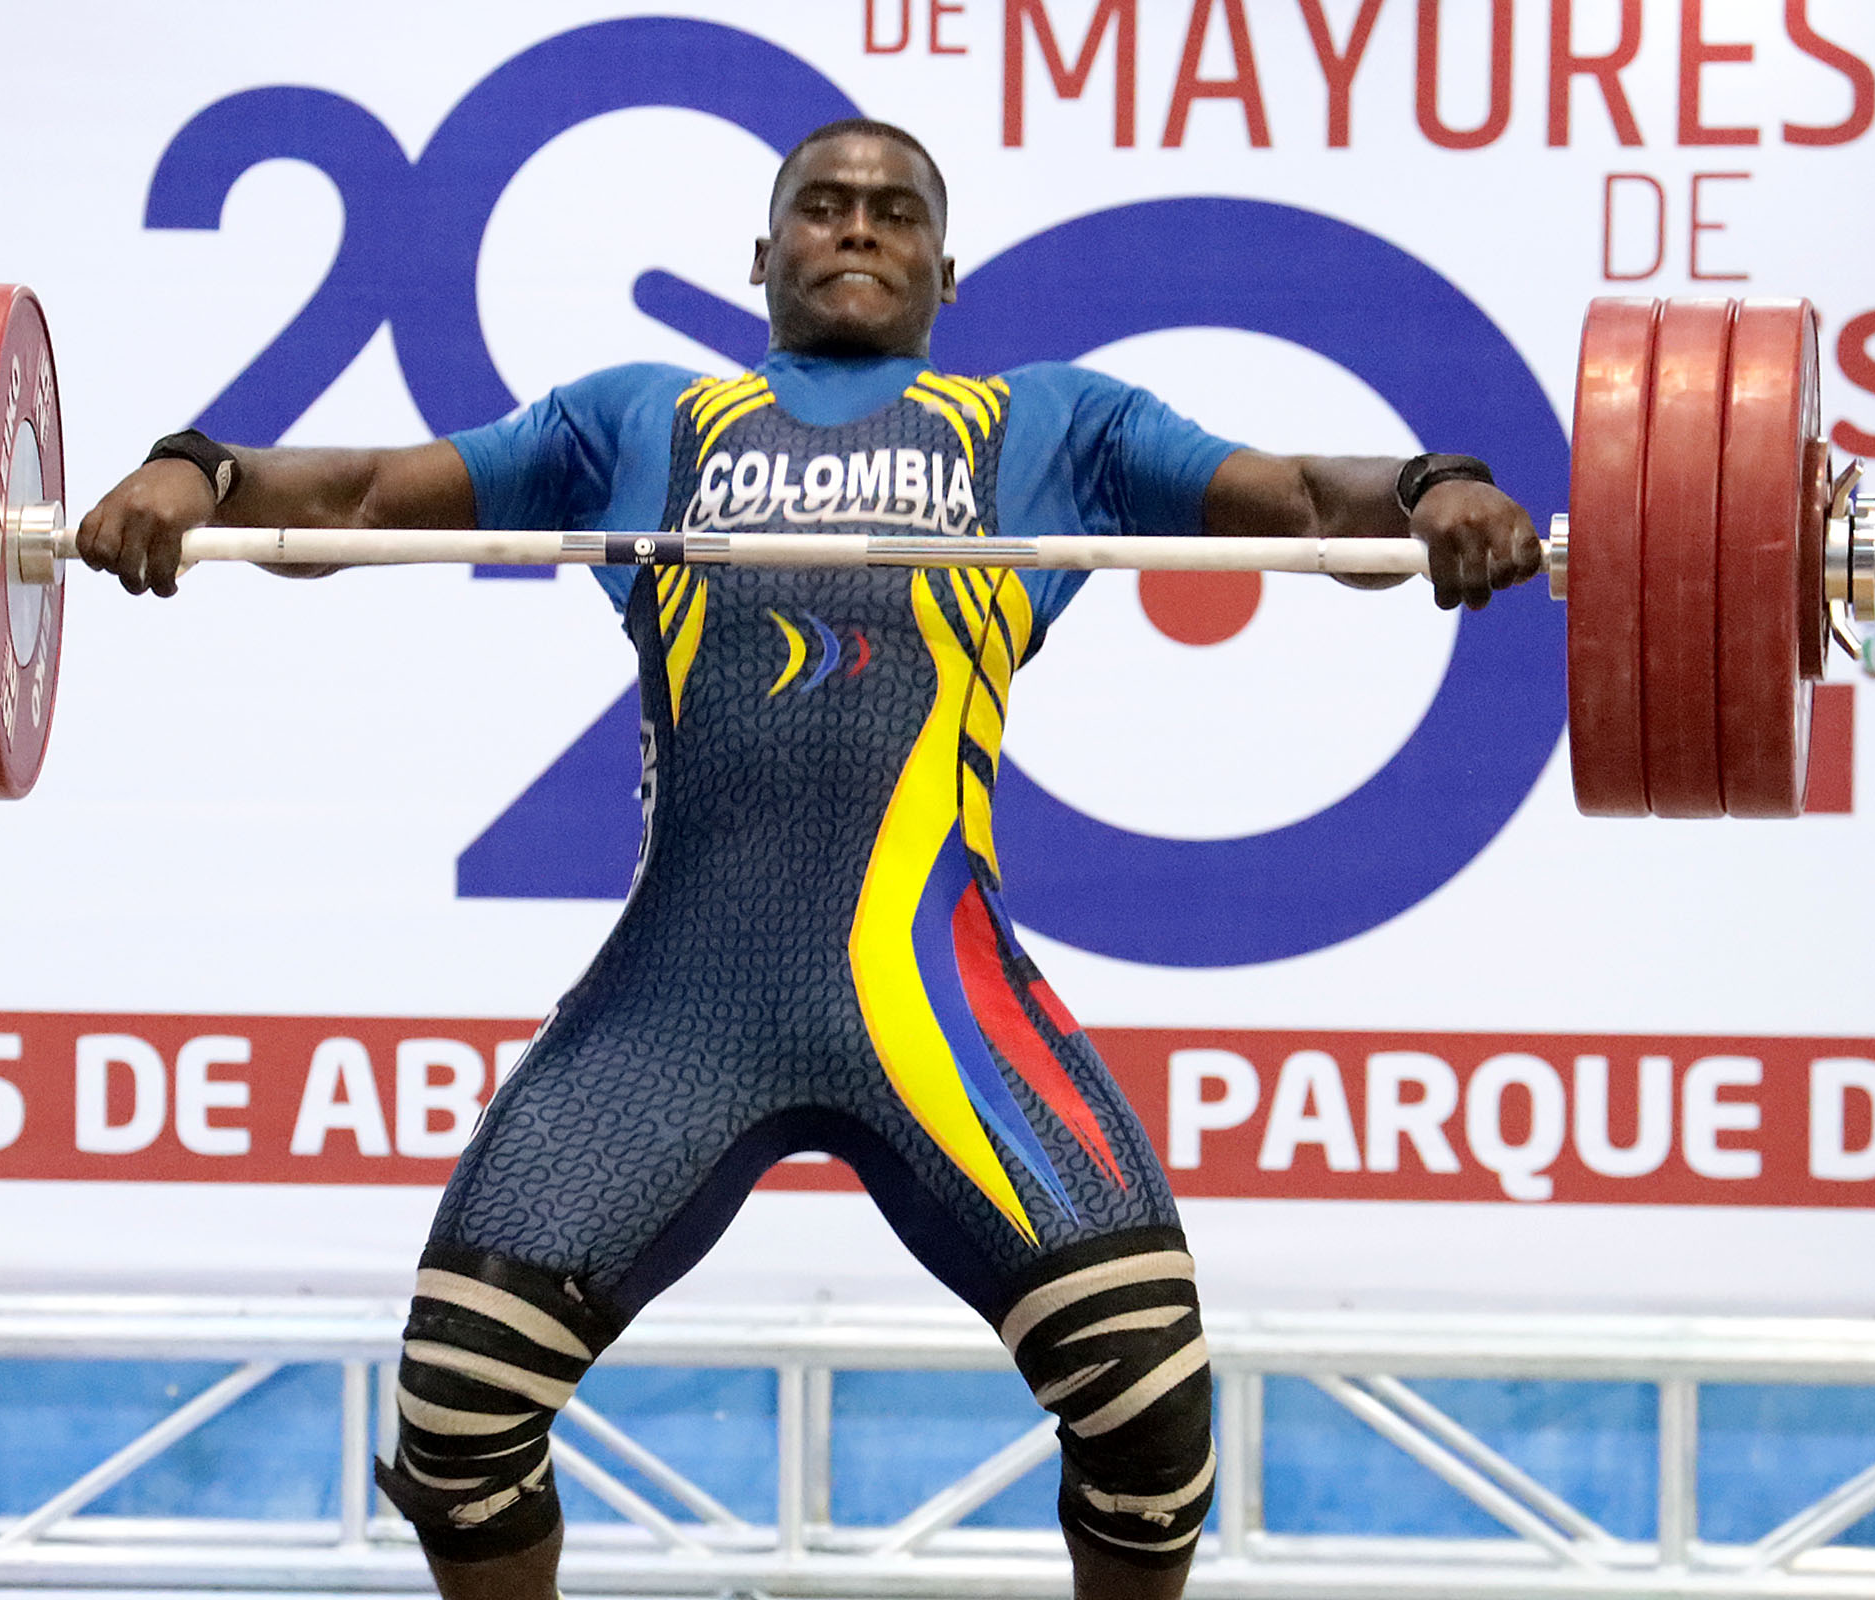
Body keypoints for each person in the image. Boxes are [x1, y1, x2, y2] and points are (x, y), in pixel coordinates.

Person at [79, 118, 1540, 1600]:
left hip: (938, 997)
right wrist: (198, 471)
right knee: (456, 1415)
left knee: (1151, 1414)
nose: (857, 230)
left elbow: (1299, 499)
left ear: (946, 270)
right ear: (759, 257)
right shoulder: (644, 421)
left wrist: (1438, 488)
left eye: (893, 212)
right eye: (823, 207)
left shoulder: (1052, 429)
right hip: (684, 1004)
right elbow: (368, 500)